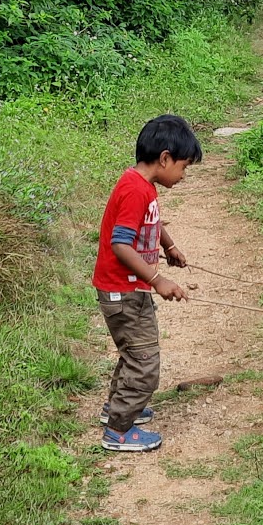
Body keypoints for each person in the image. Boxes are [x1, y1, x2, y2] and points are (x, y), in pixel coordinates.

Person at [93, 113, 199, 452]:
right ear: (165, 158)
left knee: (133, 353)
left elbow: (150, 222)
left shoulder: (142, 185)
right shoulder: (135, 191)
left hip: (125, 289)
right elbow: (120, 244)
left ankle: (118, 408)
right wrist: (157, 279)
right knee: (144, 361)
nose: (183, 176)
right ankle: (118, 430)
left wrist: (169, 247)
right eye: (183, 167)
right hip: (123, 291)